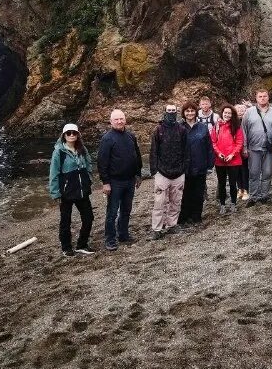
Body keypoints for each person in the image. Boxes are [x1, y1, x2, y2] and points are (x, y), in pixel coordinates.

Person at [97, 110, 143, 250]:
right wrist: (105, 182)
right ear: (111, 122)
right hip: (114, 182)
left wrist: (138, 174)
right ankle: (110, 239)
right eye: (116, 119)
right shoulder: (107, 138)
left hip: (130, 180)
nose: (119, 121)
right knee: (112, 211)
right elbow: (102, 162)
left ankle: (123, 234)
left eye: (121, 119)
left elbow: (137, 156)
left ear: (125, 120)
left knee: (126, 210)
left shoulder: (131, 136)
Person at [49, 123, 95, 257]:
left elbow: (88, 164)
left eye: (74, 133)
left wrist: (89, 180)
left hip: (82, 191)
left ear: (78, 134)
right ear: (64, 135)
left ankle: (82, 245)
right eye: (68, 133)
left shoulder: (82, 149)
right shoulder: (59, 152)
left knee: (88, 218)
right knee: (65, 221)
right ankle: (66, 247)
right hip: (66, 192)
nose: (71, 135)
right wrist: (55, 193)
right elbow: (54, 173)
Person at [149, 104, 189, 240]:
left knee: (176, 201)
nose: (171, 113)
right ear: (164, 112)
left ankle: (172, 225)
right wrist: (154, 170)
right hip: (162, 172)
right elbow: (153, 151)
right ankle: (157, 229)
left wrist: (184, 168)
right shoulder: (158, 130)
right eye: (169, 111)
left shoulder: (182, 130)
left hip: (178, 171)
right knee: (159, 202)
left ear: (177, 112)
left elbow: (186, 151)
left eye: (173, 111)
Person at [242, 89, 272, 206]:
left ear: (268, 97)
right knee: (254, 173)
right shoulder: (249, 112)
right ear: (256, 98)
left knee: (267, 173)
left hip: (269, 149)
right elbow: (243, 130)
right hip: (253, 148)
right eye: (260, 96)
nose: (262, 98)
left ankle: (264, 195)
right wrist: (244, 147)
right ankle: (253, 196)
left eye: (264, 96)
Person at [179, 101, 215, 224]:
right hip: (184, 167)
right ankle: (184, 217)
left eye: (192, 110)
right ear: (184, 113)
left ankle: (196, 216)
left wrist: (210, 164)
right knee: (185, 193)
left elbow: (209, 147)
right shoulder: (180, 128)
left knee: (199, 193)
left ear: (196, 112)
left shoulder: (202, 127)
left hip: (200, 165)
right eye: (187, 111)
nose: (190, 113)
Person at [211, 104, 244, 213]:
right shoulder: (216, 126)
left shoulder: (236, 126)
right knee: (221, 183)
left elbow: (239, 142)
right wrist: (218, 153)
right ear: (222, 113)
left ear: (232, 114)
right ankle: (222, 204)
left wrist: (232, 155)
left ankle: (233, 203)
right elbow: (213, 142)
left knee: (233, 183)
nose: (227, 115)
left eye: (229, 113)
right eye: (225, 113)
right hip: (220, 160)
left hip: (233, 161)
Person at [234, 103, 250, 201]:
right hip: (235, 150)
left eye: (242, 110)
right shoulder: (232, 122)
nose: (240, 112)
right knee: (236, 170)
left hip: (245, 149)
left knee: (245, 170)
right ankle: (240, 188)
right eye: (238, 110)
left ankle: (246, 189)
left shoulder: (247, 121)